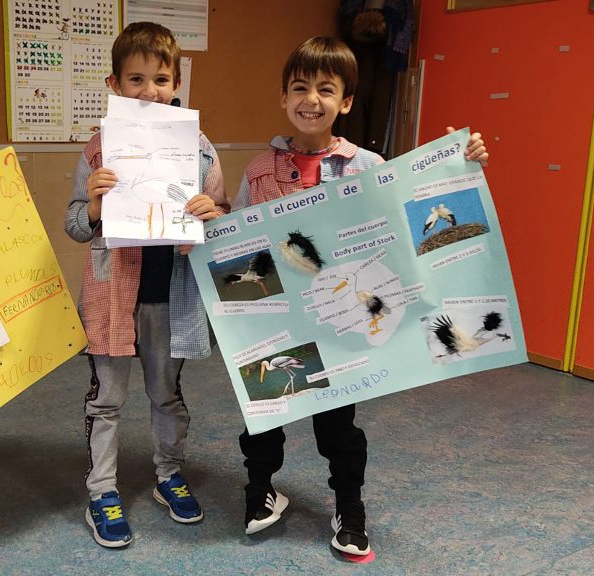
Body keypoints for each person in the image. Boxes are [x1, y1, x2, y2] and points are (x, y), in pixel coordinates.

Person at [233, 35, 489, 558]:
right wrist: (217, 226)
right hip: (278, 322)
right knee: (265, 415)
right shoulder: (259, 171)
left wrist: (458, 162)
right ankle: (260, 490)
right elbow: (238, 237)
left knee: (338, 427)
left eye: (326, 90)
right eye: (299, 88)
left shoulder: (368, 166)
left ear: (346, 102)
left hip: (343, 322)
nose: (311, 99)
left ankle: (349, 506)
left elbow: (412, 208)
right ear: (283, 98)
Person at [64, 21, 229, 549]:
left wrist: (212, 213)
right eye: (135, 80)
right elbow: (73, 225)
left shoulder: (199, 149)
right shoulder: (98, 148)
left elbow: (221, 221)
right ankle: (102, 491)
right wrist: (92, 203)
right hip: (113, 294)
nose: (149, 91)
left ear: (177, 83)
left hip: (170, 295)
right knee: (106, 400)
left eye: (160, 79)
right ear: (115, 85)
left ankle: (169, 473)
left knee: (167, 394)